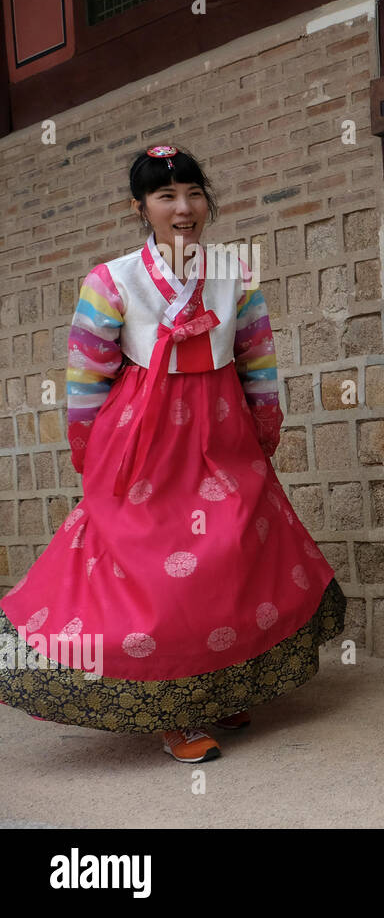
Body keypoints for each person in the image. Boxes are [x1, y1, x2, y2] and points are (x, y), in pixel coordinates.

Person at [0, 145, 345, 762]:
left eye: (192, 193)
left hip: (220, 426)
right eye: (165, 196)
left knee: (230, 555)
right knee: (159, 570)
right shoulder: (111, 281)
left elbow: (256, 355)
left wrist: (264, 425)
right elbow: (86, 376)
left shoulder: (234, 271)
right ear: (140, 208)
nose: (182, 208)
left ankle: (215, 688)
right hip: (145, 435)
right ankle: (174, 713)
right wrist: (91, 450)